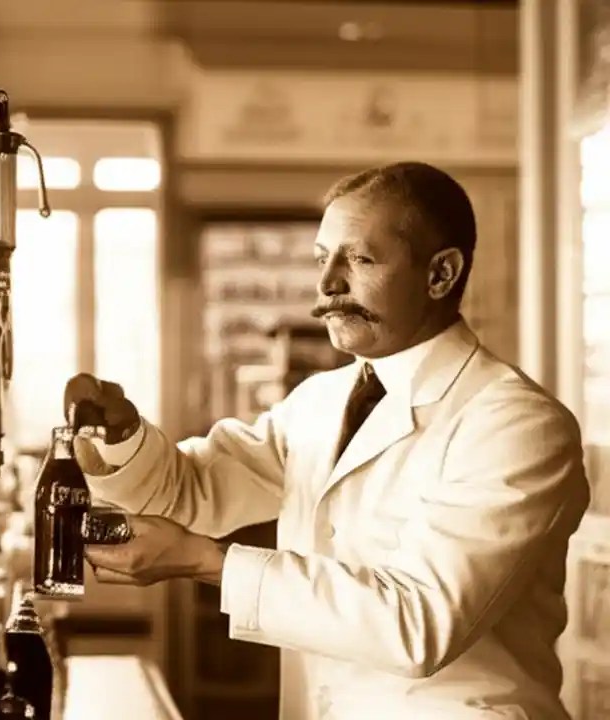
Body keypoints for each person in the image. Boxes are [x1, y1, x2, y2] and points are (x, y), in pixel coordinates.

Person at [66, 162, 589, 719]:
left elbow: (417, 624)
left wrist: (205, 562)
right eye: (323, 258)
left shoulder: (516, 423)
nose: (327, 285)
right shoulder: (322, 400)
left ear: (441, 274)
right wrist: (122, 437)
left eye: (359, 259)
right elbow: (194, 490)